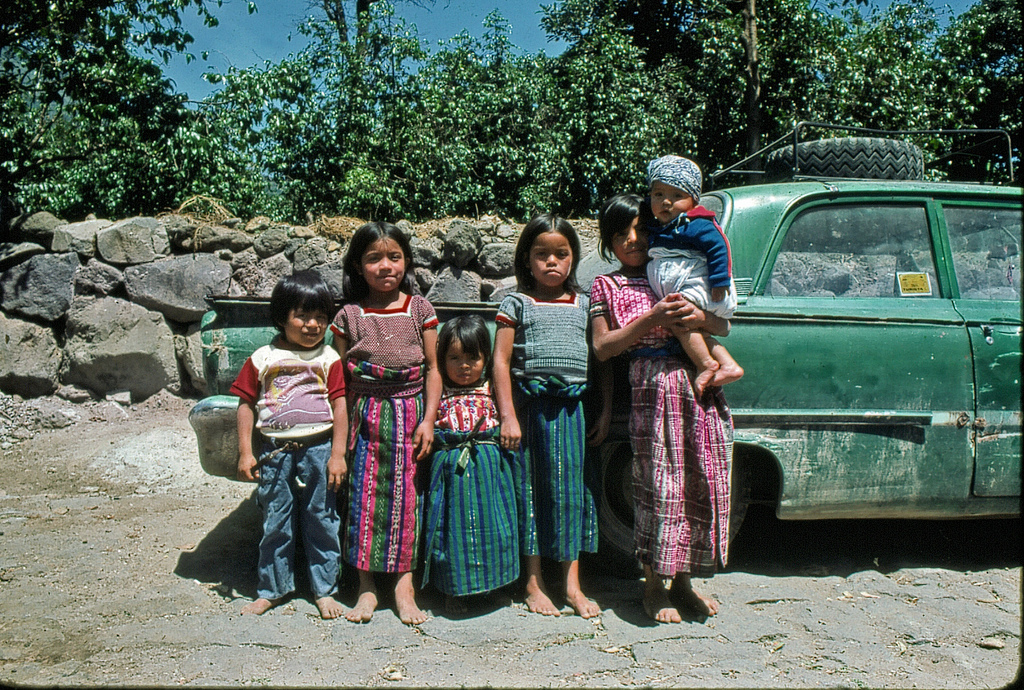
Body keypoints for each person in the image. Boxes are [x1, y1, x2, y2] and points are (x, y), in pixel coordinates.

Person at [590, 194, 734, 623]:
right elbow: (601, 348)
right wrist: (651, 320)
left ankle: (685, 583)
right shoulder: (607, 286)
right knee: (658, 488)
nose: (632, 241)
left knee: (697, 482)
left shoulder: (669, 268)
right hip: (650, 386)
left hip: (698, 386)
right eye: (619, 235)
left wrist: (696, 314)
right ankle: (653, 586)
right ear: (608, 243)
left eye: (639, 229)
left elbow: (722, 324)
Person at [331, 221, 441, 625]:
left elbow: (432, 368)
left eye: (394, 257)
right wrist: (340, 442)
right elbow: (338, 379)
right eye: (373, 258)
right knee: (364, 500)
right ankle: (366, 587)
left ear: (406, 261)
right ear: (359, 267)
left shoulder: (420, 309)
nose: (385, 266)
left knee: (409, 500)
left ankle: (404, 586)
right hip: (366, 416)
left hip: (410, 415)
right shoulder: (349, 316)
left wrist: (429, 419)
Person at [492, 213, 601, 619]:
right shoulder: (516, 304)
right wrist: (508, 417)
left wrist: (602, 410)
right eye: (541, 254)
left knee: (571, 494)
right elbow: (500, 363)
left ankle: (572, 584)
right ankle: (534, 583)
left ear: (573, 258)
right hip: (530, 410)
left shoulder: (586, 305)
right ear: (526, 259)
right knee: (531, 491)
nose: (551, 262)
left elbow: (599, 363)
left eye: (561, 253)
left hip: (573, 412)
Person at [231, 271, 348, 620]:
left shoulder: (329, 358)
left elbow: (341, 405)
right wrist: (245, 451)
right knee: (275, 519)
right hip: (274, 451)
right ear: (282, 317)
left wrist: (338, 455)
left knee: (322, 518)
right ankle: (272, 589)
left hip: (319, 448)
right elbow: (245, 404)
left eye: (321, 318)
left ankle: (324, 589)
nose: (313, 325)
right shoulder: (262, 358)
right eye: (302, 315)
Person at [423, 315, 520, 615]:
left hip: (488, 468)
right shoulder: (439, 392)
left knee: (494, 526)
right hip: (452, 469)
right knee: (453, 531)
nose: (464, 366)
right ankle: (454, 592)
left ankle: (493, 587)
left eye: (472, 357)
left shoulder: (491, 388)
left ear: (485, 359)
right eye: (454, 358)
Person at [645, 155, 744, 395]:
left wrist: (719, 280)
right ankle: (728, 364)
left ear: (693, 200)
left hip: (700, 283)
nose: (666, 202)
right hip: (688, 287)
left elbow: (719, 246)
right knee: (695, 330)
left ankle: (706, 364)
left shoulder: (694, 223)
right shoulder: (662, 227)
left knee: (681, 322)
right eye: (658, 194)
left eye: (677, 196)